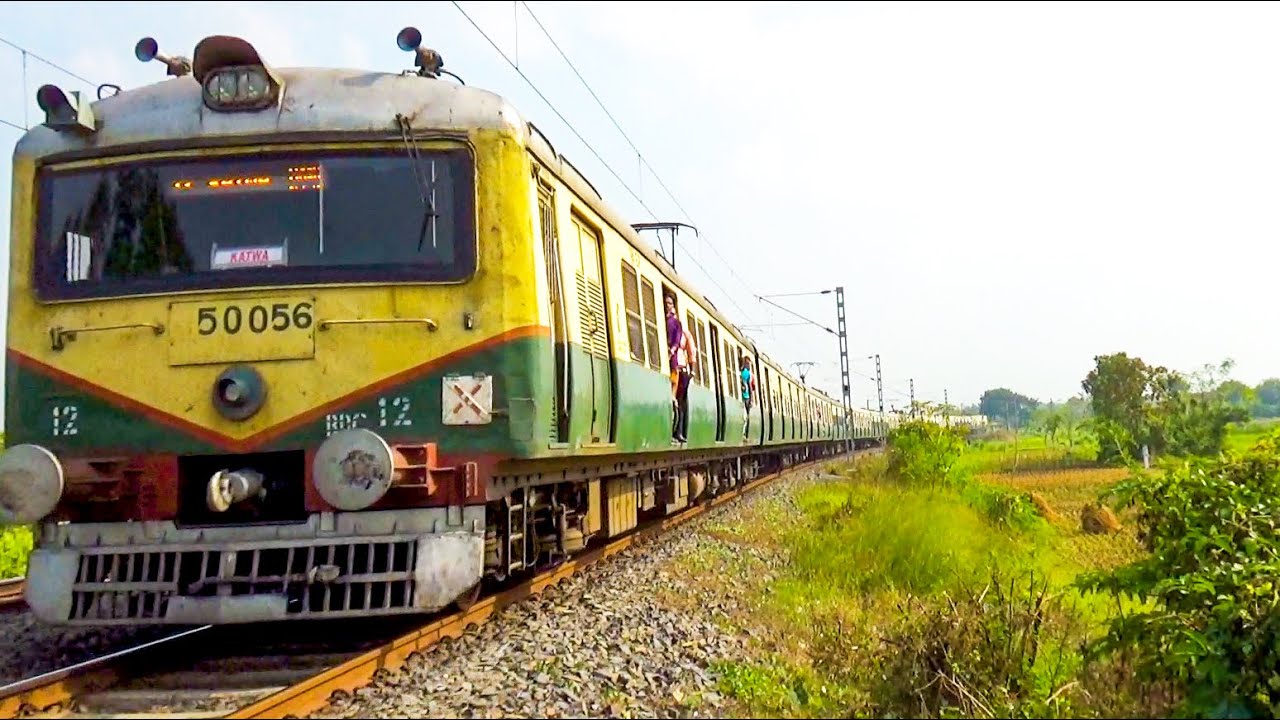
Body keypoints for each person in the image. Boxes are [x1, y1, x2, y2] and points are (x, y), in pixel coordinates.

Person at [665, 293, 694, 443]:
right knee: (673, 397)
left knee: (678, 399)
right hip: (670, 362)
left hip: (678, 364)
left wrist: (692, 368)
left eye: (669, 303)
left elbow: (690, 351)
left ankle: (678, 431)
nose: (667, 306)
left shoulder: (677, 324)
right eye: (666, 303)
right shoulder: (665, 321)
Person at [740, 355, 756, 439]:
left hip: (745, 395)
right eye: (747, 363)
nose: (748, 365)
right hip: (746, 396)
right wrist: (751, 399)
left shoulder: (743, 372)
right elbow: (750, 387)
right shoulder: (747, 373)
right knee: (746, 415)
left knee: (745, 415)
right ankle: (744, 433)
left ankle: (744, 433)